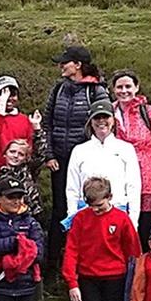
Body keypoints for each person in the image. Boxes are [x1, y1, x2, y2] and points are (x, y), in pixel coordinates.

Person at [43, 45, 111, 266]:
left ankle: (85, 262)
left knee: (86, 209)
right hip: (59, 161)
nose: (61, 66)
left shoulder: (97, 91)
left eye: (65, 62)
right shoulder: (59, 89)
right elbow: (48, 123)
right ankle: (54, 263)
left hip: (86, 163)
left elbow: (104, 125)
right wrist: (49, 154)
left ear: (78, 65)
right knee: (59, 210)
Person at [109, 71, 151, 231]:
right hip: (119, 179)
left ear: (136, 87)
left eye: (128, 86)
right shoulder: (108, 113)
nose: (124, 91)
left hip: (147, 182)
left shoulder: (150, 113)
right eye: (119, 87)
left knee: (145, 228)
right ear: (113, 90)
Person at [66, 103, 142, 219]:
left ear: (113, 120)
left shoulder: (126, 149)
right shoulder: (79, 150)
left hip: (118, 213)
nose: (101, 121)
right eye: (97, 117)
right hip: (87, 214)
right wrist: (72, 216)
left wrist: (133, 220)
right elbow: (72, 189)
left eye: (105, 117)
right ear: (90, 121)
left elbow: (133, 187)